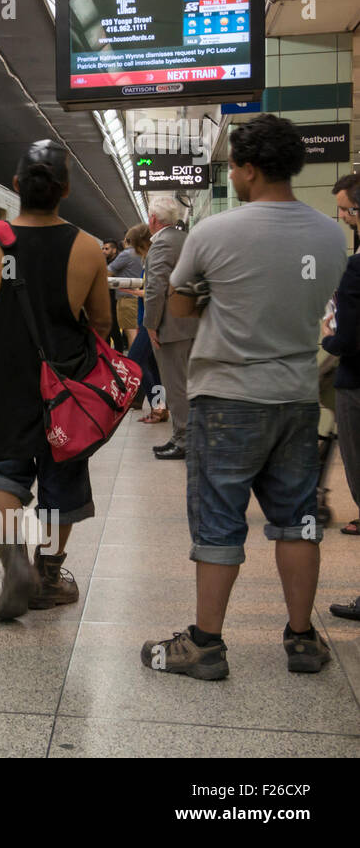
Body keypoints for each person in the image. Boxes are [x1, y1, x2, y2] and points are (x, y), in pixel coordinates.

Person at [142, 114, 346, 680]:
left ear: (250, 168)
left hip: (228, 399)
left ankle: (205, 644)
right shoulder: (331, 234)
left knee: (218, 522)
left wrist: (219, 304)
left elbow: (180, 305)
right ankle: (302, 639)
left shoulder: (213, 233)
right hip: (298, 398)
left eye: (232, 164)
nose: (230, 174)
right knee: (297, 519)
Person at [0, 139, 112, 620]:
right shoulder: (88, 248)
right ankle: (46, 575)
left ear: (17, 186)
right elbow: (103, 324)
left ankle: (13, 558)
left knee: (2, 470)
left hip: (6, 380)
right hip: (64, 384)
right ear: (64, 191)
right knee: (61, 472)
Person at [142, 195, 199, 460]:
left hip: (171, 326)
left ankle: (183, 441)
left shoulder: (162, 244)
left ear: (153, 219)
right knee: (187, 384)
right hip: (191, 324)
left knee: (175, 386)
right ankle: (185, 436)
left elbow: (155, 289)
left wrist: (150, 325)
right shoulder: (187, 240)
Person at [322, 177, 360, 549]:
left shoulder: (355, 269)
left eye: (346, 210)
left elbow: (347, 340)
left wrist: (326, 336)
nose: (344, 218)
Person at [119, 224, 166, 424]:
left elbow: (158, 291)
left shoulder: (154, 258)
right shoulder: (148, 258)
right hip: (145, 318)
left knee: (136, 361)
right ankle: (160, 408)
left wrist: (135, 291)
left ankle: (158, 407)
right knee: (153, 366)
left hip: (151, 321)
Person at [107, 231, 144, 344]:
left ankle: (133, 360)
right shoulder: (142, 253)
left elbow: (107, 272)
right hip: (138, 296)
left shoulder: (126, 254)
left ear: (125, 241)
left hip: (126, 299)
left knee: (131, 333)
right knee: (136, 330)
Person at [103, 239, 126, 351]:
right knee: (107, 327)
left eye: (106, 248)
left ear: (114, 250)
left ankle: (118, 352)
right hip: (106, 298)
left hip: (116, 298)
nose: (104, 251)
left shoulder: (118, 261)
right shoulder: (105, 261)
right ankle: (107, 352)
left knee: (114, 328)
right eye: (102, 248)